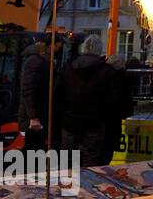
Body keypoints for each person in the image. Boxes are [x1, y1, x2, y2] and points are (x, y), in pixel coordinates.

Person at [57, 36, 116, 168]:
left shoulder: (68, 68)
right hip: (94, 122)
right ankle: (87, 186)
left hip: (70, 121)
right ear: (99, 50)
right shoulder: (107, 71)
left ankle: (64, 185)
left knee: (66, 159)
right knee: (90, 159)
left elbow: (59, 94)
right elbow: (112, 100)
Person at [18, 40, 52, 151]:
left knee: (36, 150)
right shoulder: (35, 62)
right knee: (33, 150)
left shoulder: (37, 61)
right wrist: (33, 117)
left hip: (35, 115)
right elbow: (28, 89)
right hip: (33, 118)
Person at [104, 52, 134, 163]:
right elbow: (126, 104)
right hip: (113, 121)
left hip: (100, 121)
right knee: (107, 152)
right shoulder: (122, 79)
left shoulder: (102, 76)